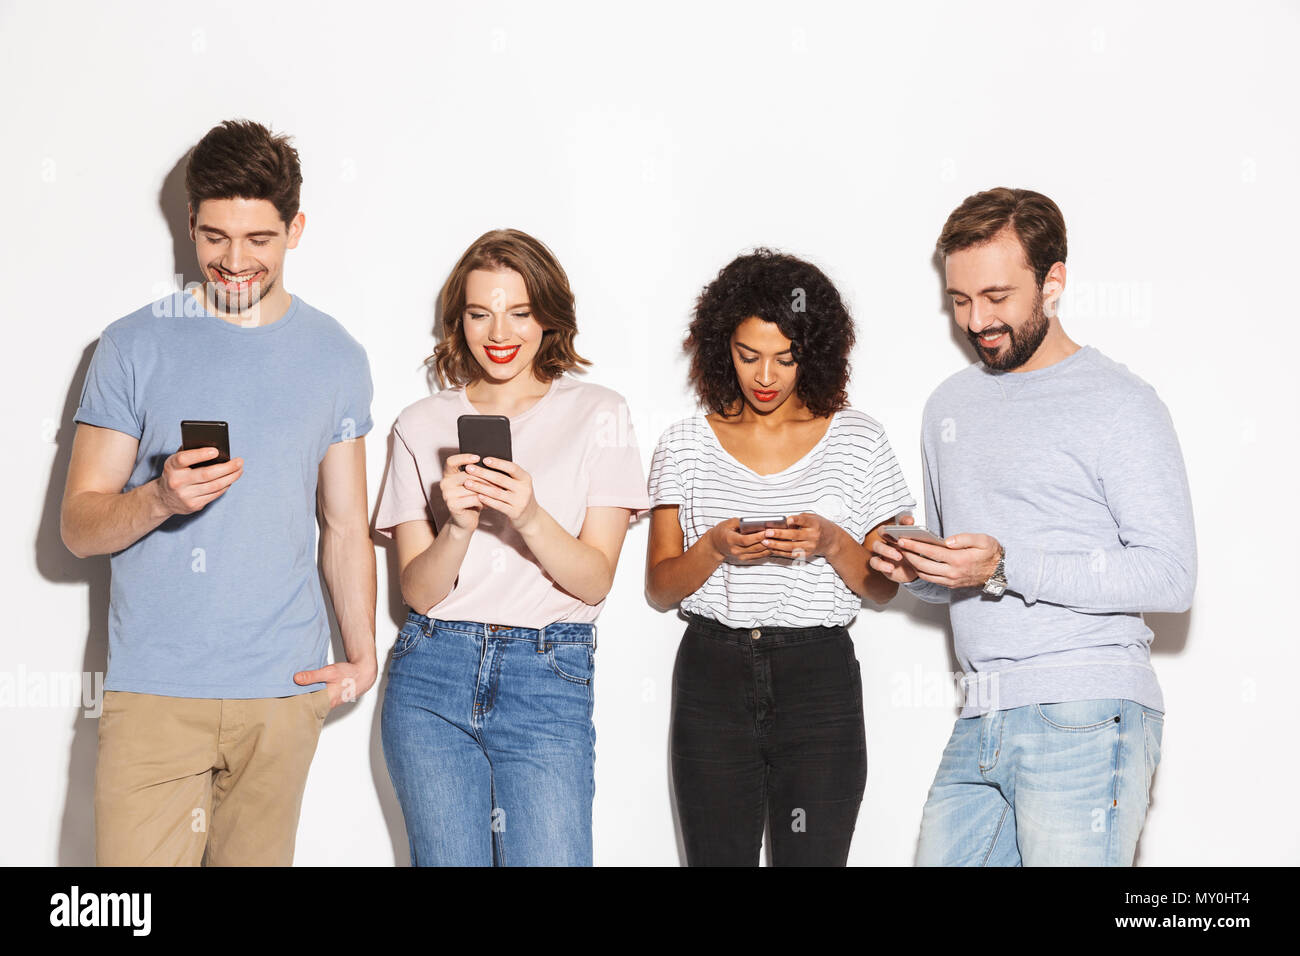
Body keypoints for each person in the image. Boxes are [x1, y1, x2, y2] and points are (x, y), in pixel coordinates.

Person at [62, 119, 376, 866]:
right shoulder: (133, 344)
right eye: (215, 237)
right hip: (157, 692)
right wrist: (159, 500)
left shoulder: (336, 355)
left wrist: (363, 655)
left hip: (284, 691)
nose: (234, 262)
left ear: (296, 229)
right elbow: (78, 526)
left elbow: (344, 526)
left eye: (259, 239)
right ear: (190, 224)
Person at [870, 187, 1196, 866]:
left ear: (1053, 283)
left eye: (996, 297)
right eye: (960, 300)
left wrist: (1005, 566)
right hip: (980, 714)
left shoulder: (1121, 403)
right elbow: (966, 574)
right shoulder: (948, 406)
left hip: (1087, 710)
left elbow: (1171, 575)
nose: (977, 320)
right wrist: (915, 567)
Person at [374, 228, 649, 866]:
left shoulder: (600, 413)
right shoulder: (418, 424)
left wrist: (527, 514)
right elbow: (417, 594)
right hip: (432, 672)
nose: (499, 332)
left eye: (519, 312)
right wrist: (457, 526)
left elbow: (594, 581)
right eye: (480, 313)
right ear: (459, 320)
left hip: (547, 674)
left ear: (548, 316)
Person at [646, 248, 915, 866]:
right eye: (748, 356)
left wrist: (833, 542)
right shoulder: (685, 443)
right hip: (712, 676)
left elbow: (883, 588)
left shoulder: (858, 439)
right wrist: (714, 548)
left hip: (818, 679)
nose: (765, 376)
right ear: (722, 348)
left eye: (785, 358)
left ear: (813, 353)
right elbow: (660, 588)